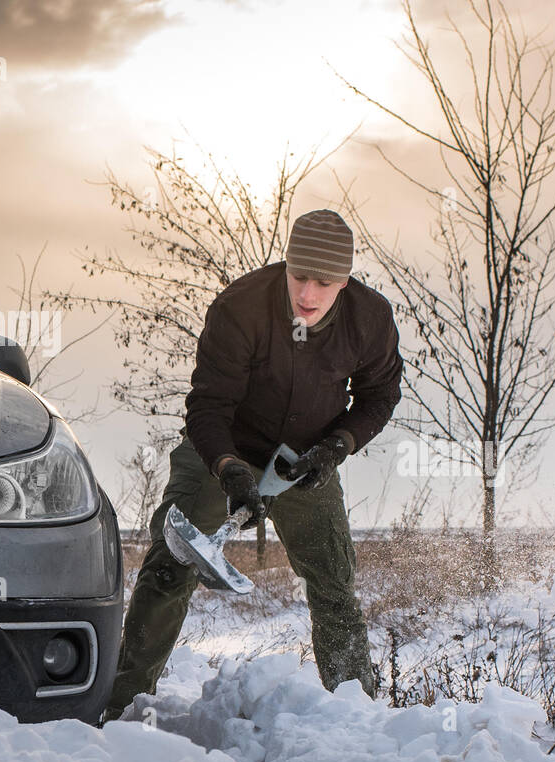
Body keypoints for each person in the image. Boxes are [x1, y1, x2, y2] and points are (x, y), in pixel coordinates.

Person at [101, 209, 403, 724]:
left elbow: (381, 396)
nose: (307, 294)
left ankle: (359, 720)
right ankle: (121, 705)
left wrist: (338, 446)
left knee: (334, 582)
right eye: (299, 276)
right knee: (171, 564)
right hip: (222, 446)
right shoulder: (240, 307)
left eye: (324, 283)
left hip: (306, 459)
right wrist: (230, 469)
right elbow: (207, 406)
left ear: (345, 281)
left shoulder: (369, 320)